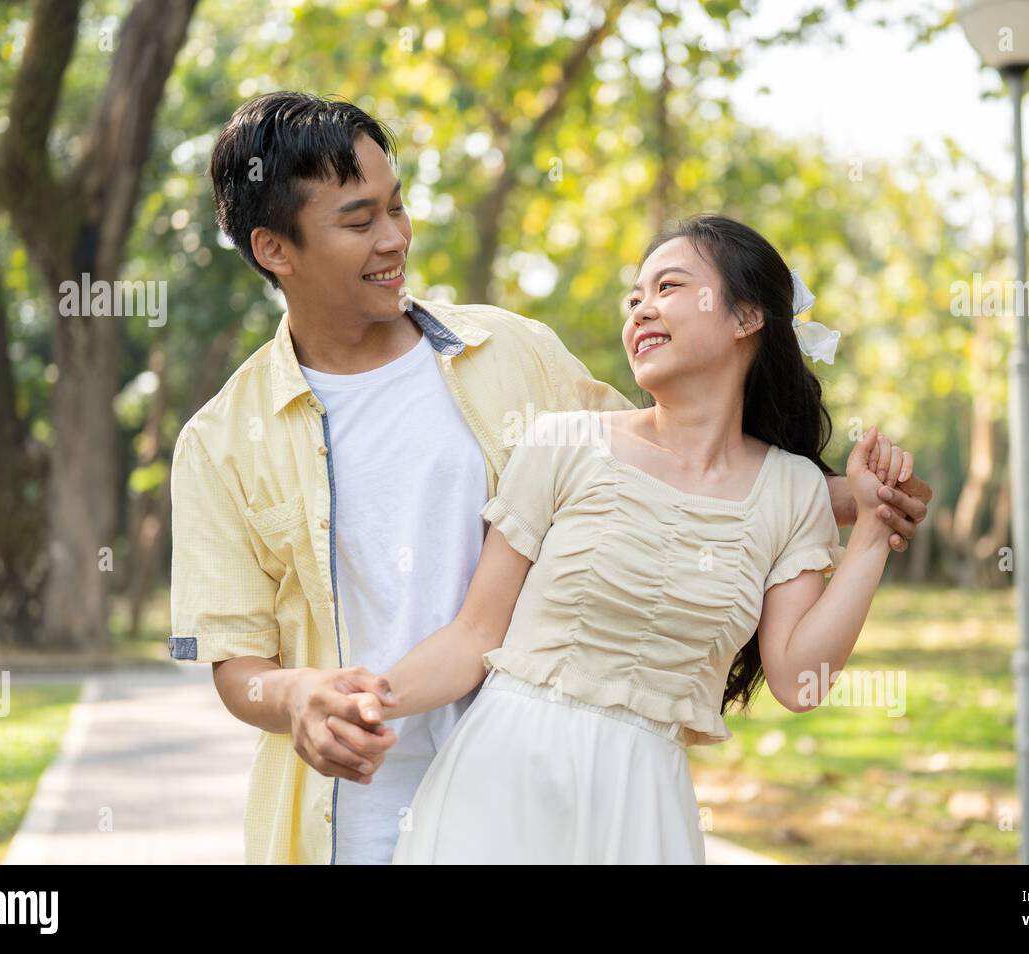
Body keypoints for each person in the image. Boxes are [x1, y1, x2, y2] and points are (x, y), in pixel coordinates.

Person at [169, 91, 932, 865]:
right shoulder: (221, 443)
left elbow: (676, 468)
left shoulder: (512, 353)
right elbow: (239, 669)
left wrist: (857, 505)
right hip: (350, 813)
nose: (395, 237)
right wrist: (302, 695)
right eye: (359, 221)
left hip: (562, 796)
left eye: (397, 207)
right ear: (274, 249)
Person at [349, 214, 908, 863]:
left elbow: (799, 683)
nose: (641, 310)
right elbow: (476, 635)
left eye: (668, 288)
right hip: (502, 784)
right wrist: (366, 703)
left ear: (746, 317)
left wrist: (871, 534)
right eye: (634, 298)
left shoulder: (792, 492)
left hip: (645, 809)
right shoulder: (564, 442)